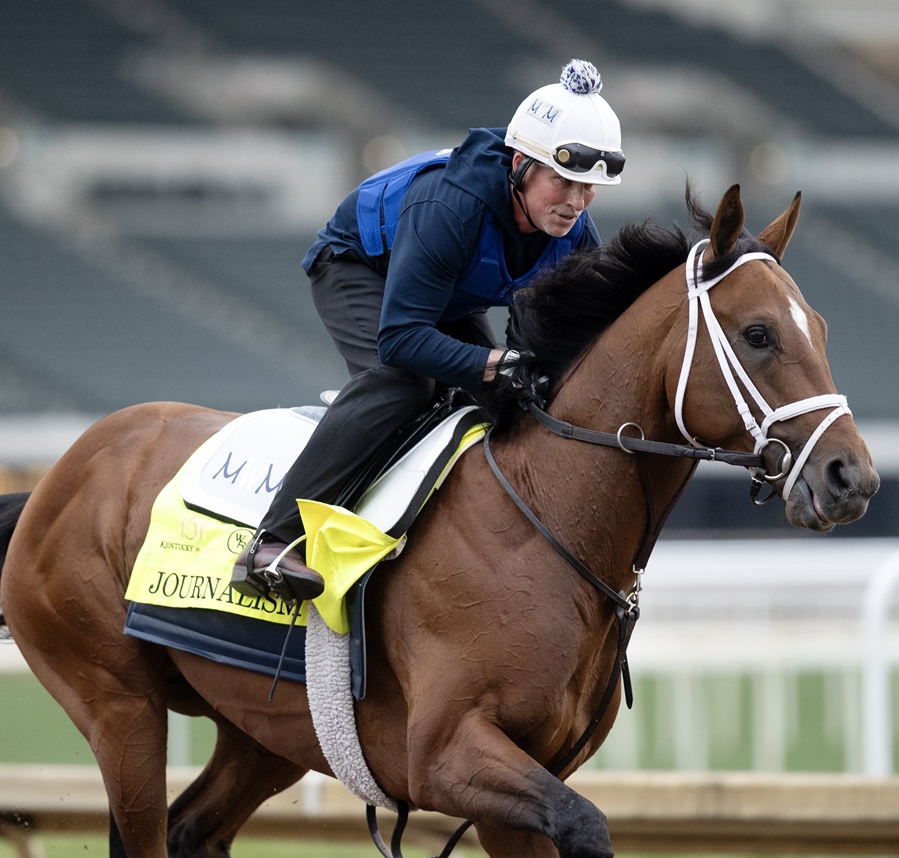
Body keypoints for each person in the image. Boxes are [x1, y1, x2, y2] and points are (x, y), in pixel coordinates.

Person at [231, 58, 626, 603]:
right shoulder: (452, 206)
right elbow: (399, 339)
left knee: (512, 399)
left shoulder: (573, 232)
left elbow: (549, 340)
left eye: (589, 188)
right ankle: (271, 542)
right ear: (519, 165)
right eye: (564, 181)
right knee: (403, 383)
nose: (577, 203)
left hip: (446, 293)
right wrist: (494, 363)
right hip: (359, 267)